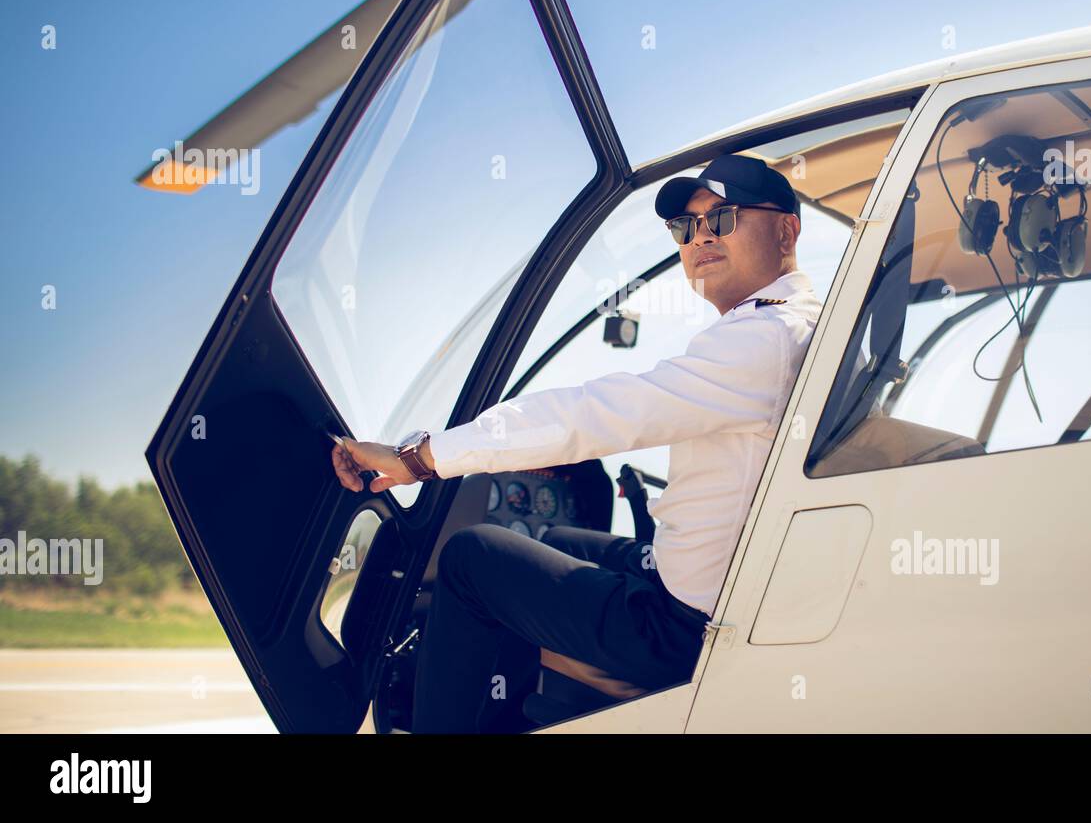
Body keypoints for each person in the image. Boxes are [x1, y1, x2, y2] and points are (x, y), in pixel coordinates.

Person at [331, 154, 823, 732]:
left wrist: (419, 459)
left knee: (472, 559)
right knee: (558, 537)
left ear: (786, 228)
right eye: (686, 228)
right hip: (715, 585)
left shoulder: (766, 338)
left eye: (722, 217)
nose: (699, 239)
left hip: (690, 627)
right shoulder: (797, 321)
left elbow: (592, 415)